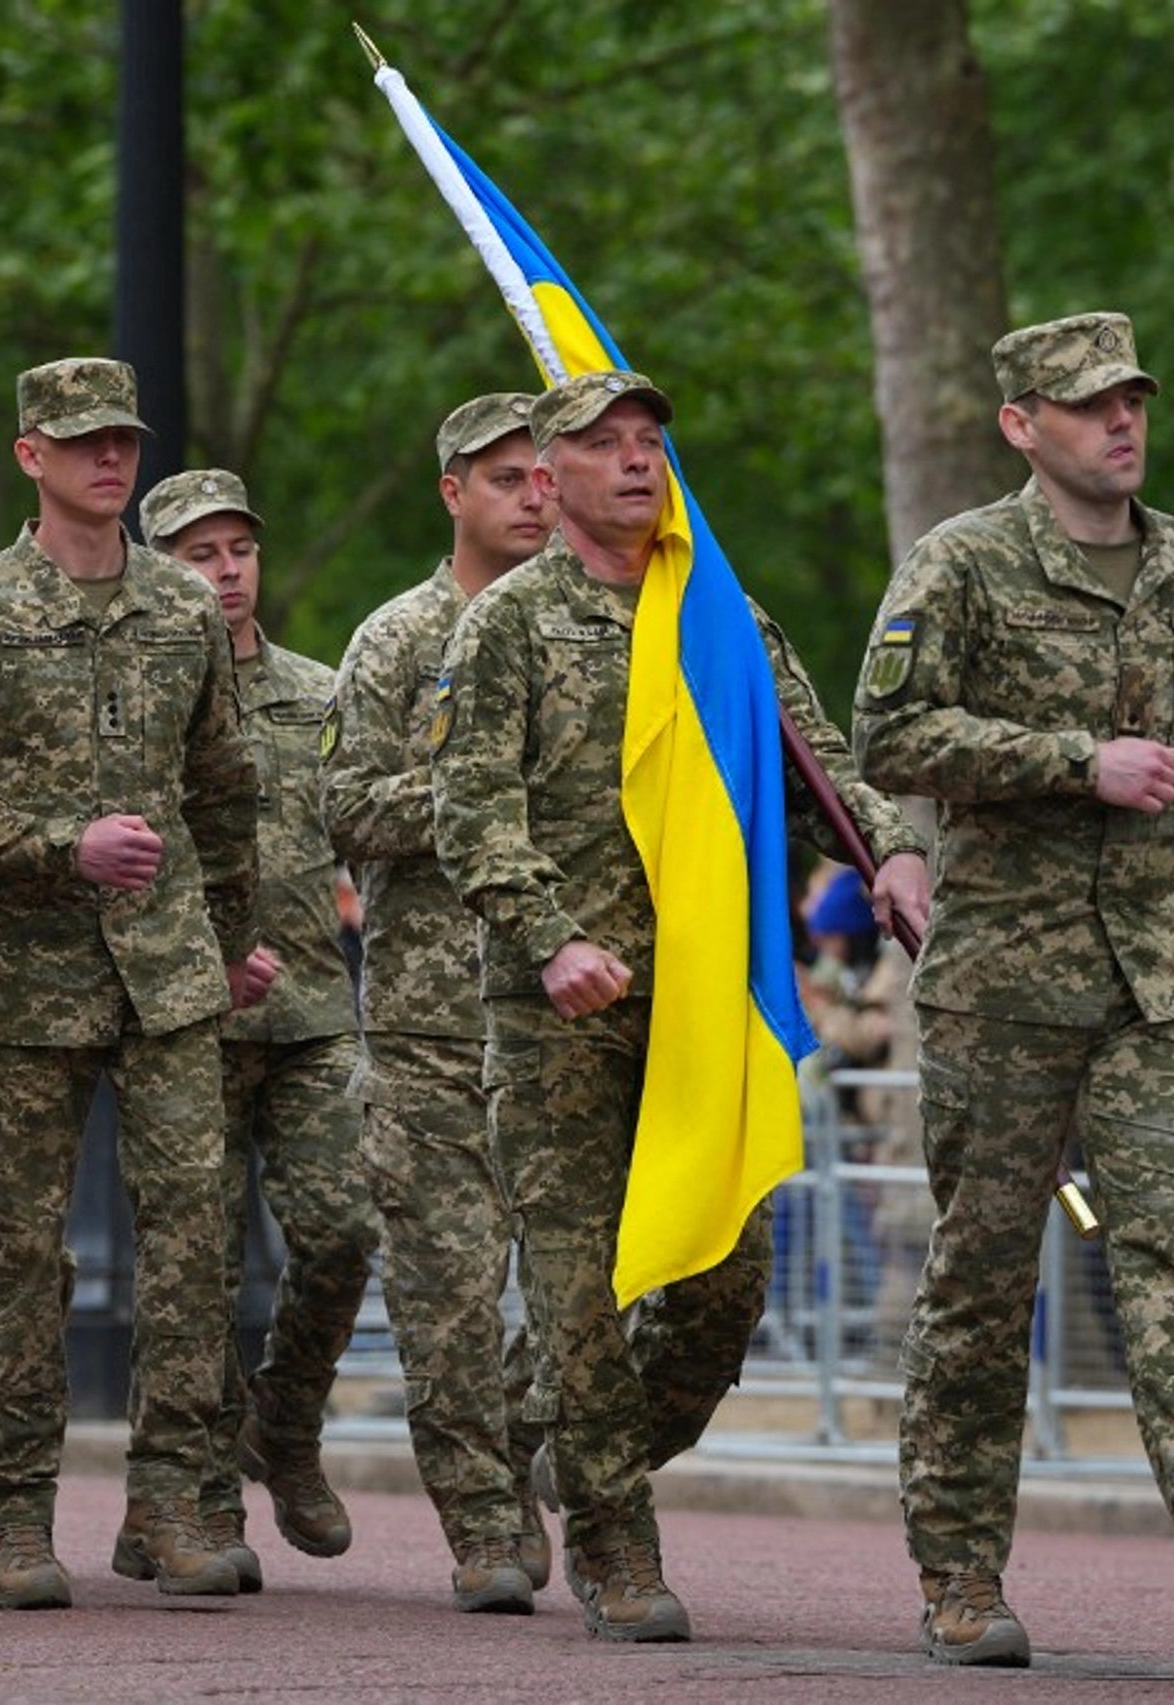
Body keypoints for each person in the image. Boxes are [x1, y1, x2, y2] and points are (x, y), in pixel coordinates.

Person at [852, 310, 1174, 1674]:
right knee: (978, 1280)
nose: (1120, 423)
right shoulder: (958, 562)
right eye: (1085, 406)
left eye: (1131, 399)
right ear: (1022, 425)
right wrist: (1077, 759)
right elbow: (887, 732)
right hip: (1003, 983)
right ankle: (959, 1574)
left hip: (1157, 979)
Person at [433, 370, 931, 1643]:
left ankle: (562, 1445)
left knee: (723, 1280)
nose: (636, 462)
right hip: (562, 1010)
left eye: (649, 441)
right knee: (581, 1285)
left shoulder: (720, 615)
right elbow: (468, 810)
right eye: (602, 446)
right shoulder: (508, 627)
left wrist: (888, 856)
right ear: (547, 480)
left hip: (707, 997)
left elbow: (811, 764)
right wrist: (549, 937)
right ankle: (612, 1543)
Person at [0, 356, 269, 1610]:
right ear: (30, 456)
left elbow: (223, 790)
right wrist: (61, 845)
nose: (111, 459)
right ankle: (10, 1506)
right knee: (21, 1255)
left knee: (191, 1242)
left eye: (124, 439)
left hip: (165, 977)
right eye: (84, 441)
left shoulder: (179, 608)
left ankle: (169, 1503)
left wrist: (225, 938)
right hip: (26, 980)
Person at [321, 391, 558, 1614]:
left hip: (576, 1009)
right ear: (452, 494)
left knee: (613, 1279)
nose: (532, 494)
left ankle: (528, 1437)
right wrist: (482, 795)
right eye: (503, 477)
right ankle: (479, 1520)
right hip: (430, 1018)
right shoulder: (399, 639)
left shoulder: (599, 628)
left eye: (540, 473)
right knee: (449, 1293)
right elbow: (348, 804)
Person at [141, 467, 377, 1590]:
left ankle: (283, 1419)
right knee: (193, 1264)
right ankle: (195, 1494)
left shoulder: (320, 692)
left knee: (343, 1225)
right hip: (186, 1017)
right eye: (199, 555)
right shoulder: (140, 698)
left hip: (315, 1011)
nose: (226, 574)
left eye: (238, 551)